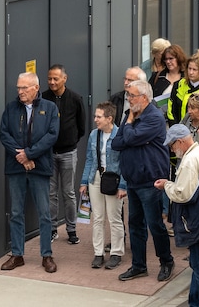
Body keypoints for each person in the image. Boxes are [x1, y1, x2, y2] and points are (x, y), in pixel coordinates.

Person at [112, 80, 175, 283]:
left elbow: (128, 139)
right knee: (135, 225)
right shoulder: (131, 116)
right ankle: (139, 265)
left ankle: (166, 261)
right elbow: (116, 142)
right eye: (128, 95)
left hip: (150, 181)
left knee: (155, 224)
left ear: (145, 98)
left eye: (132, 96)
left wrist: (129, 126)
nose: (129, 100)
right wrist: (130, 130)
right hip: (133, 180)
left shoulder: (153, 117)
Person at [0, 72, 60, 274]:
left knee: (44, 213)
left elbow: (52, 135)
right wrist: (21, 156)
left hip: (39, 167)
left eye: (24, 88)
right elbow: (4, 133)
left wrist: (30, 154)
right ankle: (17, 254)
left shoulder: (49, 108)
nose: (20, 92)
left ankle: (46, 255)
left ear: (35, 87)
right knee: (16, 212)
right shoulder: (11, 108)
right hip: (16, 167)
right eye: (18, 87)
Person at [157, 124, 199, 307]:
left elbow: (182, 194)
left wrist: (167, 185)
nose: (172, 150)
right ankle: (195, 302)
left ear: (179, 141)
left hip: (196, 220)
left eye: (172, 146)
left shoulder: (189, 161)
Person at [80, 102, 127, 270]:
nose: (95, 120)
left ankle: (116, 253)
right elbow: (90, 159)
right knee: (98, 217)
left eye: (98, 117)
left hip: (113, 178)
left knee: (114, 218)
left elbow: (124, 163)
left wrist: (123, 185)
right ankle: (98, 253)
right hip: (96, 177)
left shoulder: (120, 134)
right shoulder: (94, 135)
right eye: (95, 116)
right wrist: (84, 181)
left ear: (109, 118)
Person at [44, 64, 86, 246]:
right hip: (48, 154)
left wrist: (71, 140)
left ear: (64, 79)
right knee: (51, 192)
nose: (52, 82)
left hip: (69, 152)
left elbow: (82, 126)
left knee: (68, 192)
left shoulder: (75, 98)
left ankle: (71, 230)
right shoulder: (44, 98)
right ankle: (52, 229)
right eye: (49, 79)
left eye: (55, 78)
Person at [152, 44, 187, 117]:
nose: (168, 62)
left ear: (179, 58)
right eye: (166, 59)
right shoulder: (157, 77)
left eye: (171, 58)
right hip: (159, 119)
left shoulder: (187, 78)